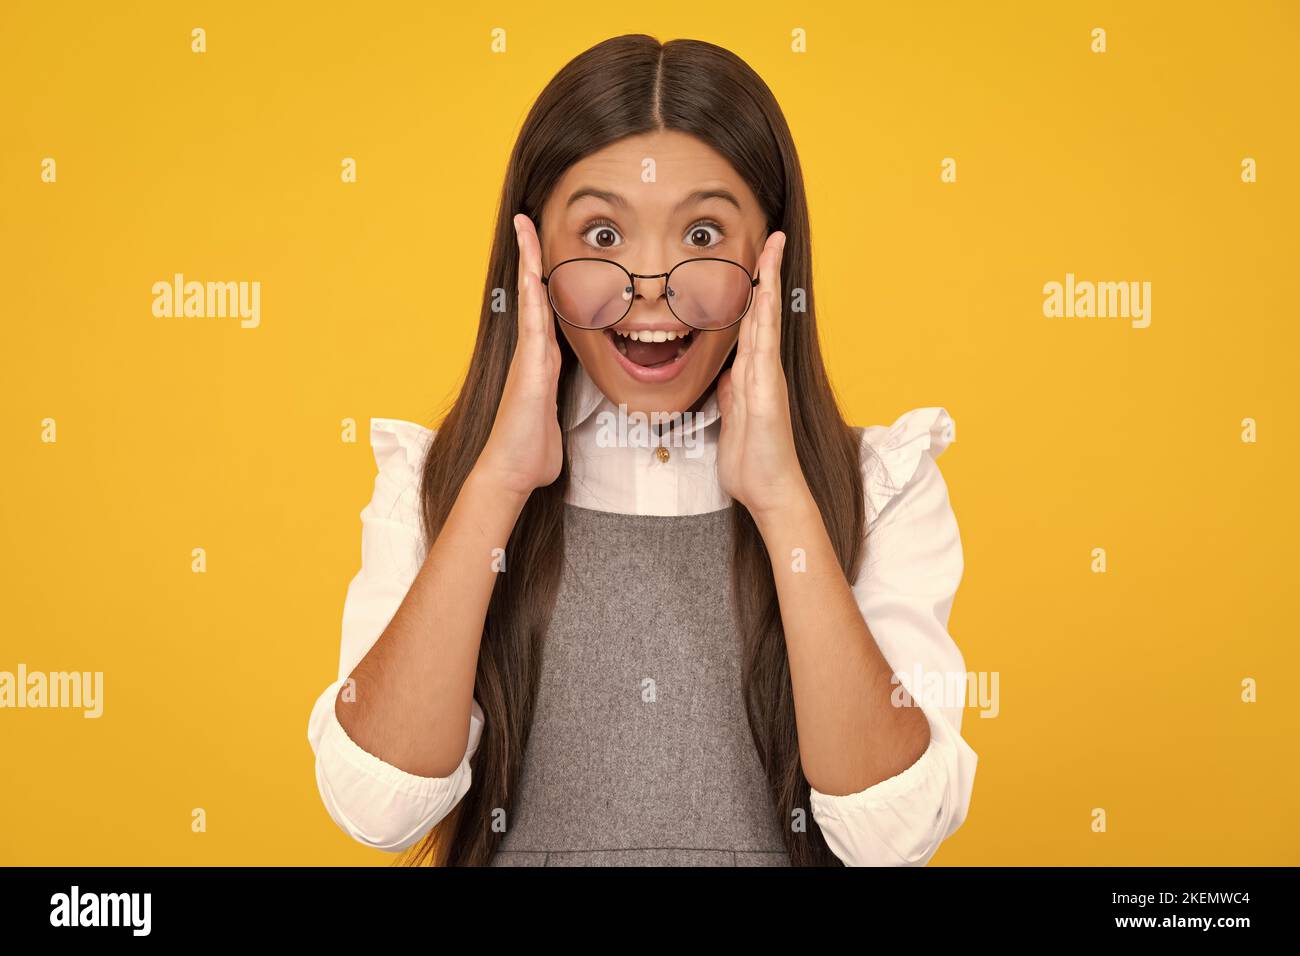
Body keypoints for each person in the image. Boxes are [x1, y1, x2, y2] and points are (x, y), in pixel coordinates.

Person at [307, 33, 977, 866]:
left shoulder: (881, 484)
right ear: (533, 256)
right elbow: (376, 803)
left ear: (774, 257)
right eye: (600, 236)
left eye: (702, 234)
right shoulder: (439, 482)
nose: (651, 285)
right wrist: (501, 481)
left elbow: (894, 835)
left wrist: (779, 498)